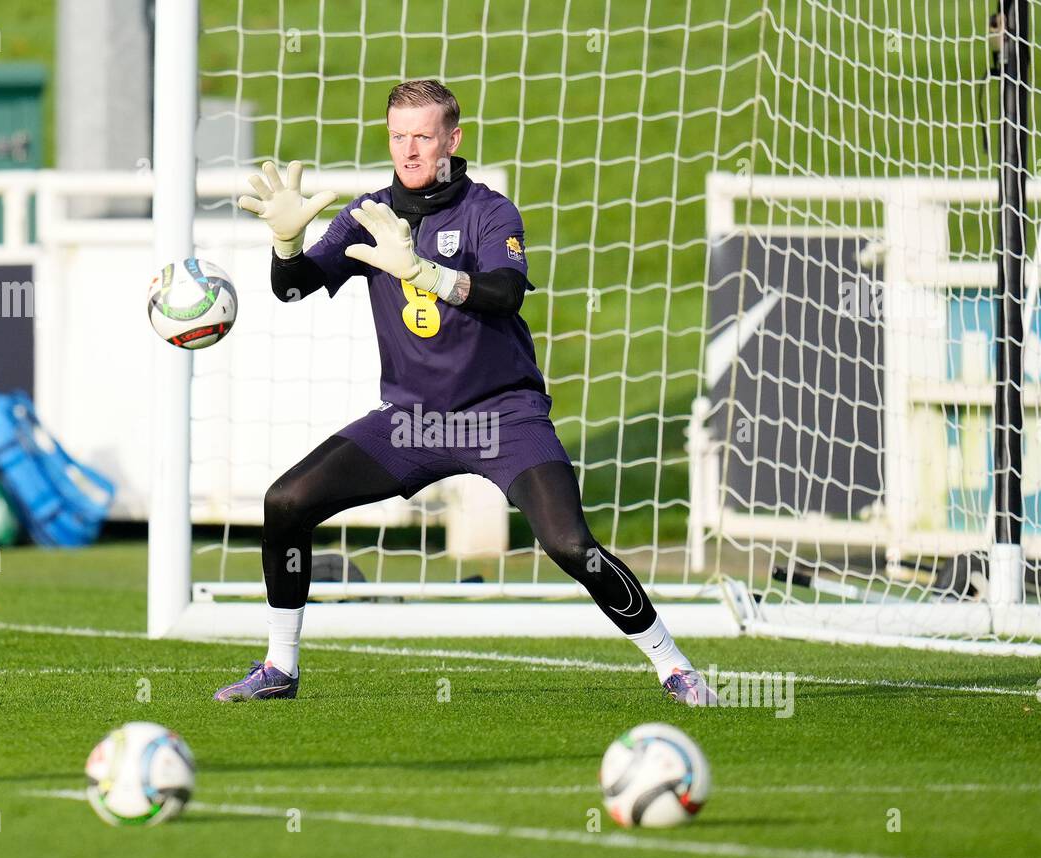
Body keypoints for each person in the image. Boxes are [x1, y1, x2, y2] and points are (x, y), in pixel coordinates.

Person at [220, 79, 714, 706]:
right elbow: (292, 291)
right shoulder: (366, 216)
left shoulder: (490, 211)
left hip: (503, 416)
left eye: (423, 136)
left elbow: (505, 293)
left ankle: (673, 665)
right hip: (411, 422)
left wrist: (422, 272)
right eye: (398, 136)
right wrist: (285, 245)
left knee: (570, 544)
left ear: (452, 138)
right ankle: (280, 669)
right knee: (287, 502)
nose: (409, 150)